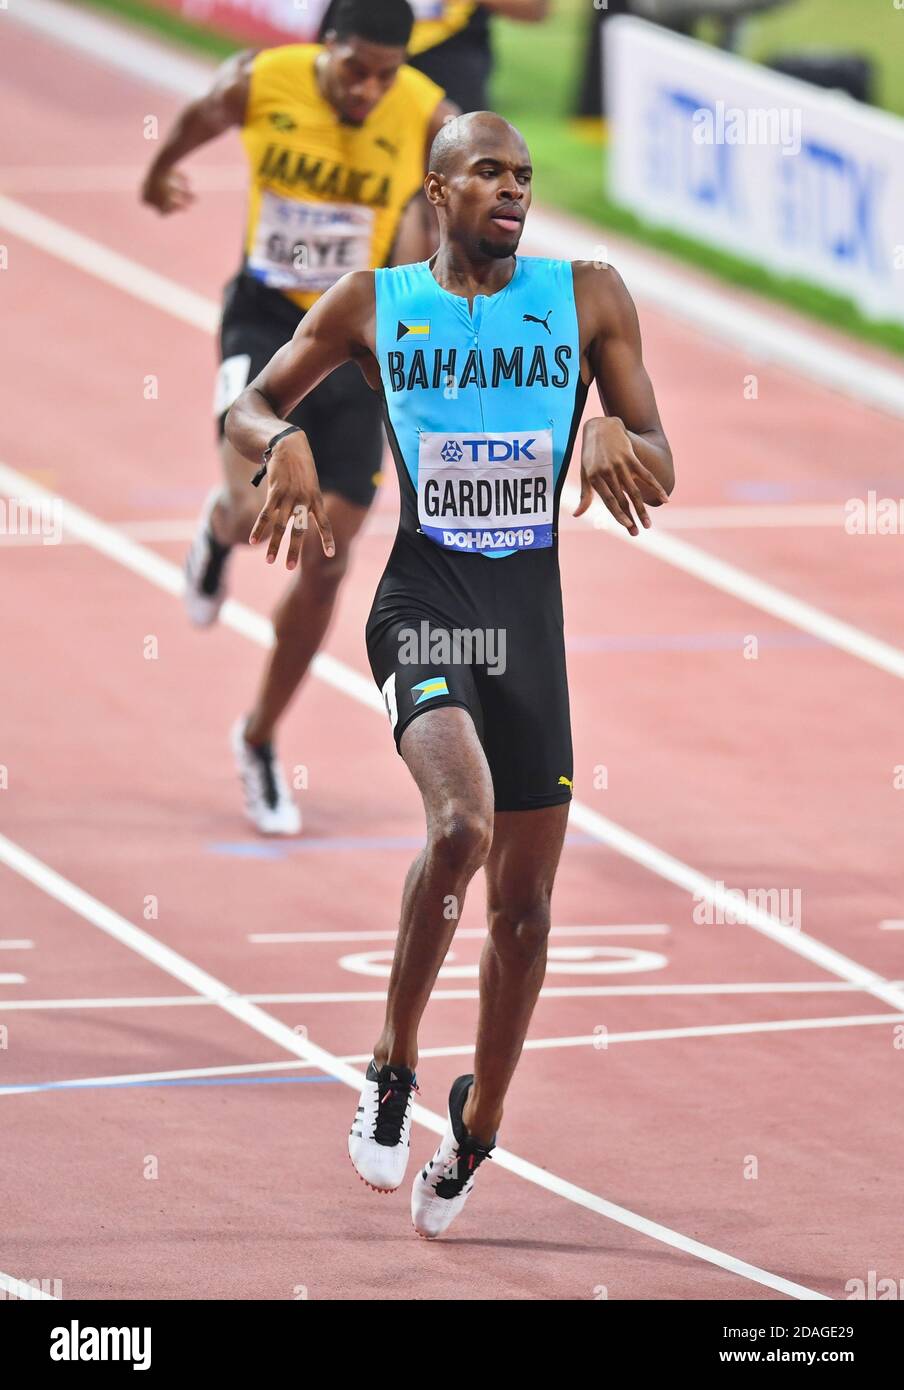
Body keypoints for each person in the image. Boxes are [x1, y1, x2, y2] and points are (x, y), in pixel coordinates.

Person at [224, 111, 674, 1237]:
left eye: (524, 176)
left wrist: (621, 441)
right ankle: (389, 1063)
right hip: (424, 605)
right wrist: (277, 440)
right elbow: (253, 401)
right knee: (460, 825)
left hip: (530, 626)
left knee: (522, 913)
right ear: (438, 191)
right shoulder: (376, 304)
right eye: (490, 173)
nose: (513, 191)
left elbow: (658, 463)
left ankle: (476, 1127)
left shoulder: (591, 296)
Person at [140, 0, 457, 834]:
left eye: (385, 75)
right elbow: (199, 115)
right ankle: (219, 522)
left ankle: (259, 738)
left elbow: (443, 220)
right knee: (255, 511)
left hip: (356, 336)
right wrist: (159, 169)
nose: (368, 89)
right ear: (328, 47)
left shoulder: (425, 112)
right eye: (357, 70)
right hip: (267, 318)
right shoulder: (266, 81)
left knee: (326, 557)